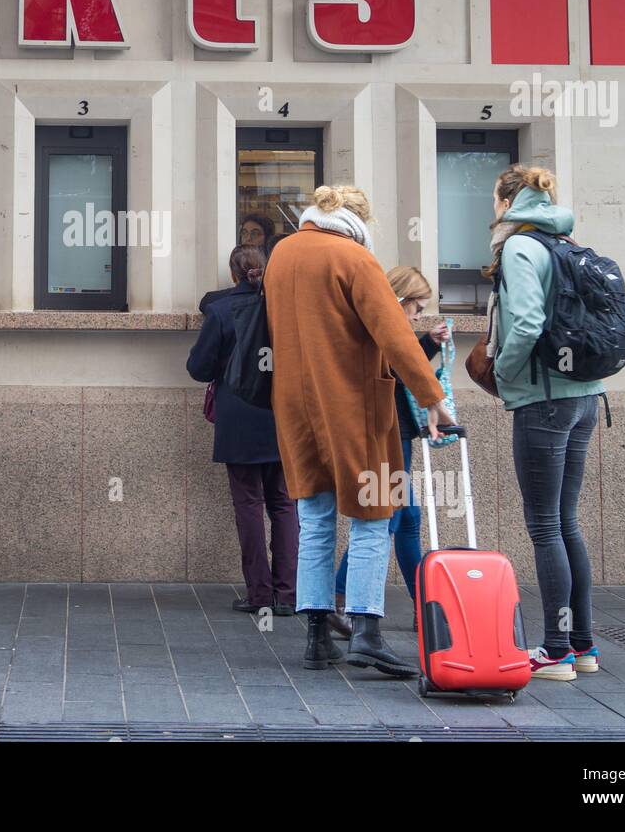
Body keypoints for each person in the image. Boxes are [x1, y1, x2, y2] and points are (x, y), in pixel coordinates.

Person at [264, 185, 450, 677]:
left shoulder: (281, 254)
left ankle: (317, 637)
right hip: (356, 410)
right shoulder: (355, 258)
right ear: (356, 219)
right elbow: (395, 335)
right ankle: (366, 631)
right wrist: (433, 399)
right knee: (374, 516)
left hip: (296, 410)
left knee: (316, 520)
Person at [486, 164, 604, 681]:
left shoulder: (518, 247)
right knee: (567, 522)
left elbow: (529, 321)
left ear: (505, 201)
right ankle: (583, 647)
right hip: (585, 398)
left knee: (543, 526)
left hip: (544, 400)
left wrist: (505, 373)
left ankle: (554, 650)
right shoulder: (568, 241)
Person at [328, 266, 449, 638]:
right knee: (386, 520)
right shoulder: (381, 323)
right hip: (385, 435)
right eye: (417, 308)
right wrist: (425, 344)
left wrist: (426, 341)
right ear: (401, 300)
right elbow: (397, 366)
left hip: (395, 434)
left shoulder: (382, 323)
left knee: (403, 519)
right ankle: (340, 599)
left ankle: (421, 607)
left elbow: (399, 363)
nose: (417, 315)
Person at [187, 245, 298, 616]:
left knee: (248, 505)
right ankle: (289, 594)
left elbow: (199, 368)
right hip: (283, 417)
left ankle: (259, 593)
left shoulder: (221, 310)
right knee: (284, 505)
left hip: (239, 419)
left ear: (234, 275)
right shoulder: (287, 306)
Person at [199, 212, 276, 312]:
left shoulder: (272, 263)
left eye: (255, 233)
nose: (248, 238)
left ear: (267, 238)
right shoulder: (239, 259)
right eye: (244, 233)